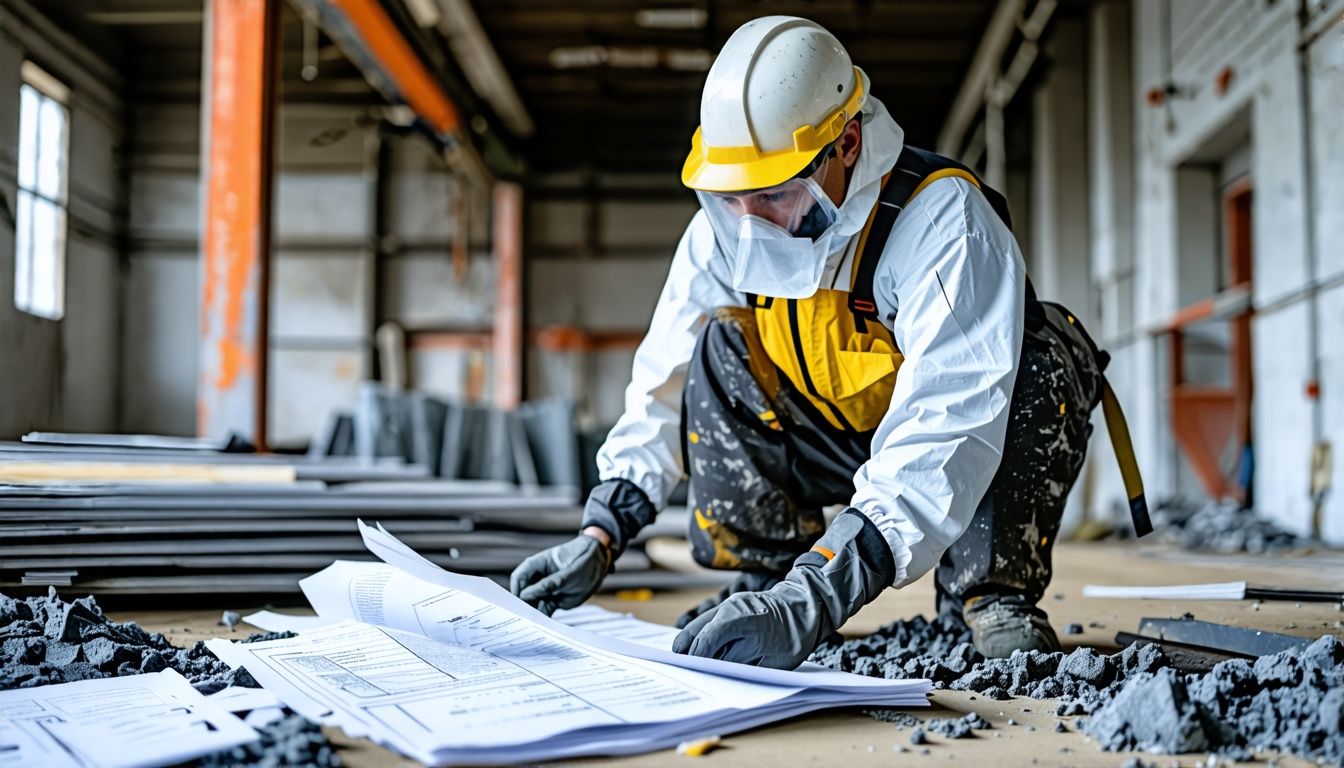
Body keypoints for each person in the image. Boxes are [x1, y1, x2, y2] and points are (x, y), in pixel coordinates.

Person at [510, 15, 1147, 669]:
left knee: (1044, 358)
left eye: (775, 195)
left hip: (962, 443)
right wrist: (603, 529)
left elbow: (950, 418)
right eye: (731, 199)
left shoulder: (944, 223)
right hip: (827, 436)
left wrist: (818, 595)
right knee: (718, 346)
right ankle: (767, 579)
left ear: (846, 143)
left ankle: (991, 592)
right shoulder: (725, 232)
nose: (751, 226)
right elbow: (665, 377)